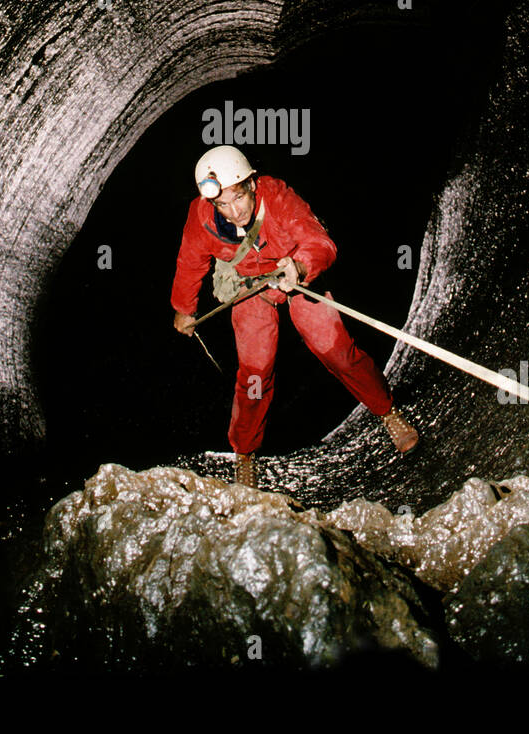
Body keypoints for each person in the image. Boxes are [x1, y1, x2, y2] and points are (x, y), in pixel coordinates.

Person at [171, 145, 420, 487]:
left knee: (337, 351)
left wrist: (301, 266)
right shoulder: (200, 217)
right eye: (222, 204)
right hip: (250, 288)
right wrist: (183, 309)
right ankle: (244, 452)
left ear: (252, 185)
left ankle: (388, 411)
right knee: (255, 373)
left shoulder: (278, 197)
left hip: (296, 276)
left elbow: (321, 242)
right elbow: (190, 261)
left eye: (238, 198)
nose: (233, 211)